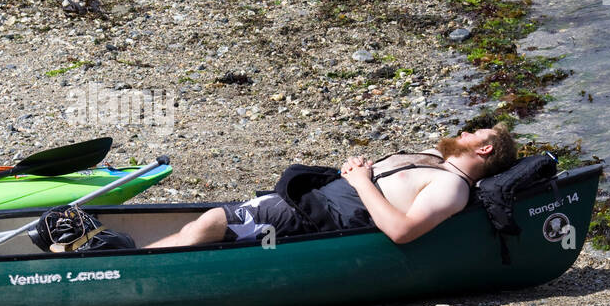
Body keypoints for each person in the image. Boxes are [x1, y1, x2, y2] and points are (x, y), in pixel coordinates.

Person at [147, 126, 517, 248]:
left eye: (474, 134)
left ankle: (140, 264)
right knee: (210, 223)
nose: (463, 132)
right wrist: (357, 168)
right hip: (310, 198)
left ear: (483, 149)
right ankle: (144, 257)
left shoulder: (453, 187)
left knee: (212, 221)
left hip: (320, 220)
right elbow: (376, 181)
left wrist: (360, 181)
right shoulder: (432, 159)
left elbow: (402, 231)